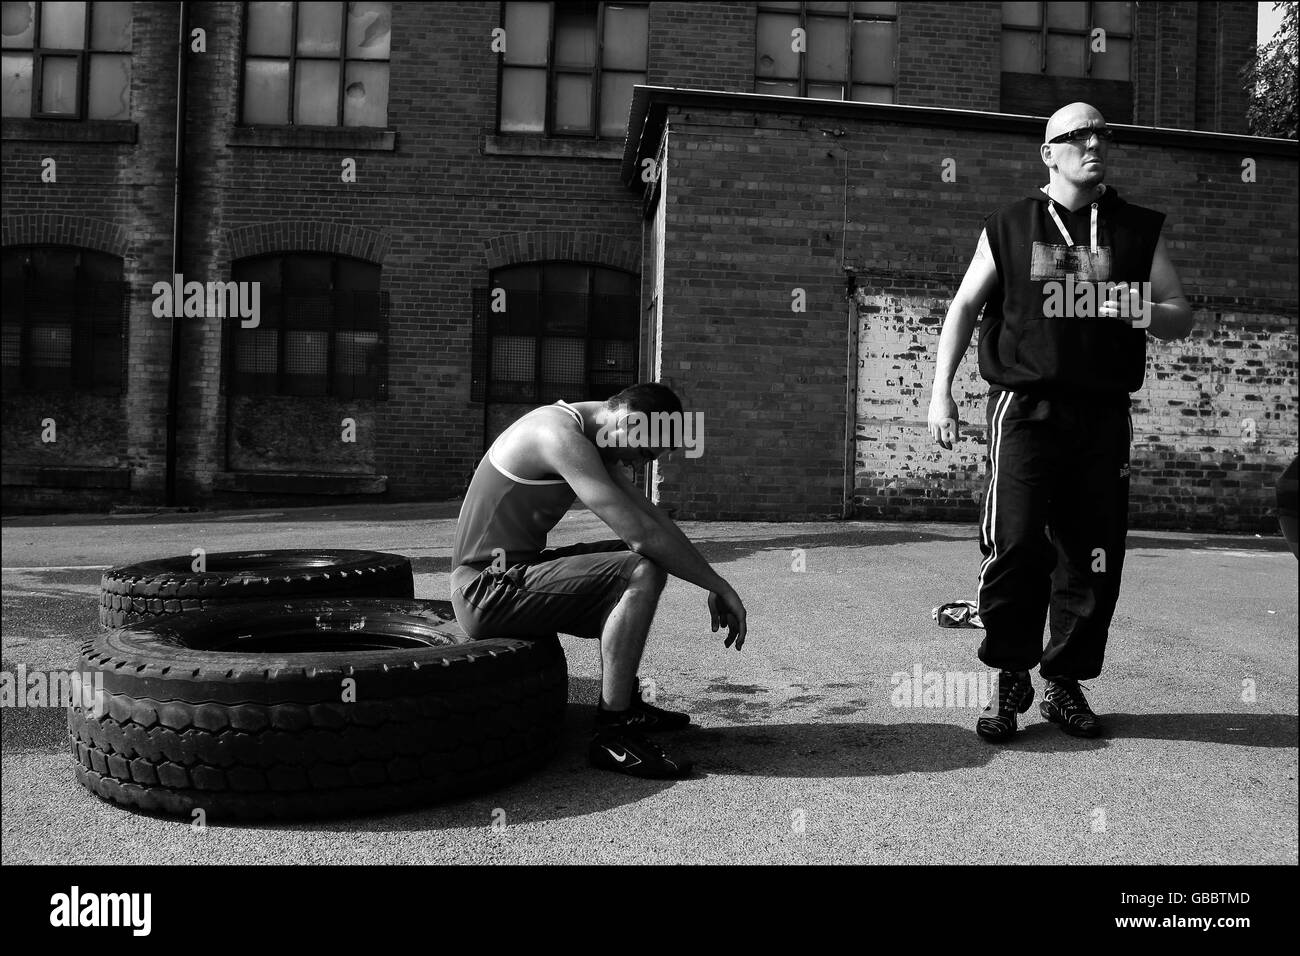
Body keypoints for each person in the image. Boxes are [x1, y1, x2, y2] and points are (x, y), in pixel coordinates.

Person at [925, 102, 1194, 742]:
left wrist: (1126, 302)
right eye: (1077, 135)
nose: (1093, 142)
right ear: (1049, 152)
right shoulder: (1012, 225)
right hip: (1025, 407)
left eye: (1102, 132)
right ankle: (1009, 673)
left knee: (1091, 555)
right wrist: (942, 394)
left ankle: (1064, 681)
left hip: (1100, 414)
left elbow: (1180, 314)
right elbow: (964, 306)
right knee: (1016, 544)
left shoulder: (1135, 229)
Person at [450, 382, 748, 778]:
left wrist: (715, 582)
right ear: (626, 421)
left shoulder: (591, 436)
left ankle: (625, 702)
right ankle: (613, 733)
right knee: (639, 567)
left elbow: (651, 519)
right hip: (483, 590)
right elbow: (639, 534)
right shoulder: (557, 435)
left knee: (644, 560)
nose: (640, 465)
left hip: (511, 576)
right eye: (643, 453)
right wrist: (718, 586)